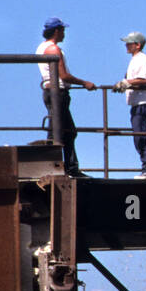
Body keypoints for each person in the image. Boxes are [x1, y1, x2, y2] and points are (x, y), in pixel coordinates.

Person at [36, 17, 95, 177]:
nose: (64, 34)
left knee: (64, 130)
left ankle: (67, 167)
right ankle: (64, 167)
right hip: (57, 93)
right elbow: (63, 75)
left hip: (51, 92)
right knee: (62, 131)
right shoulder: (53, 50)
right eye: (63, 30)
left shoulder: (42, 47)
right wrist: (84, 83)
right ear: (57, 31)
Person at [113, 31, 146, 178]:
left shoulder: (142, 59)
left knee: (141, 136)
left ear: (137, 45)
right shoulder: (135, 60)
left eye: (129, 43)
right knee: (139, 136)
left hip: (142, 103)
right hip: (137, 103)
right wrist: (124, 84)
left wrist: (127, 83)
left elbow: (144, 79)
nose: (126, 45)